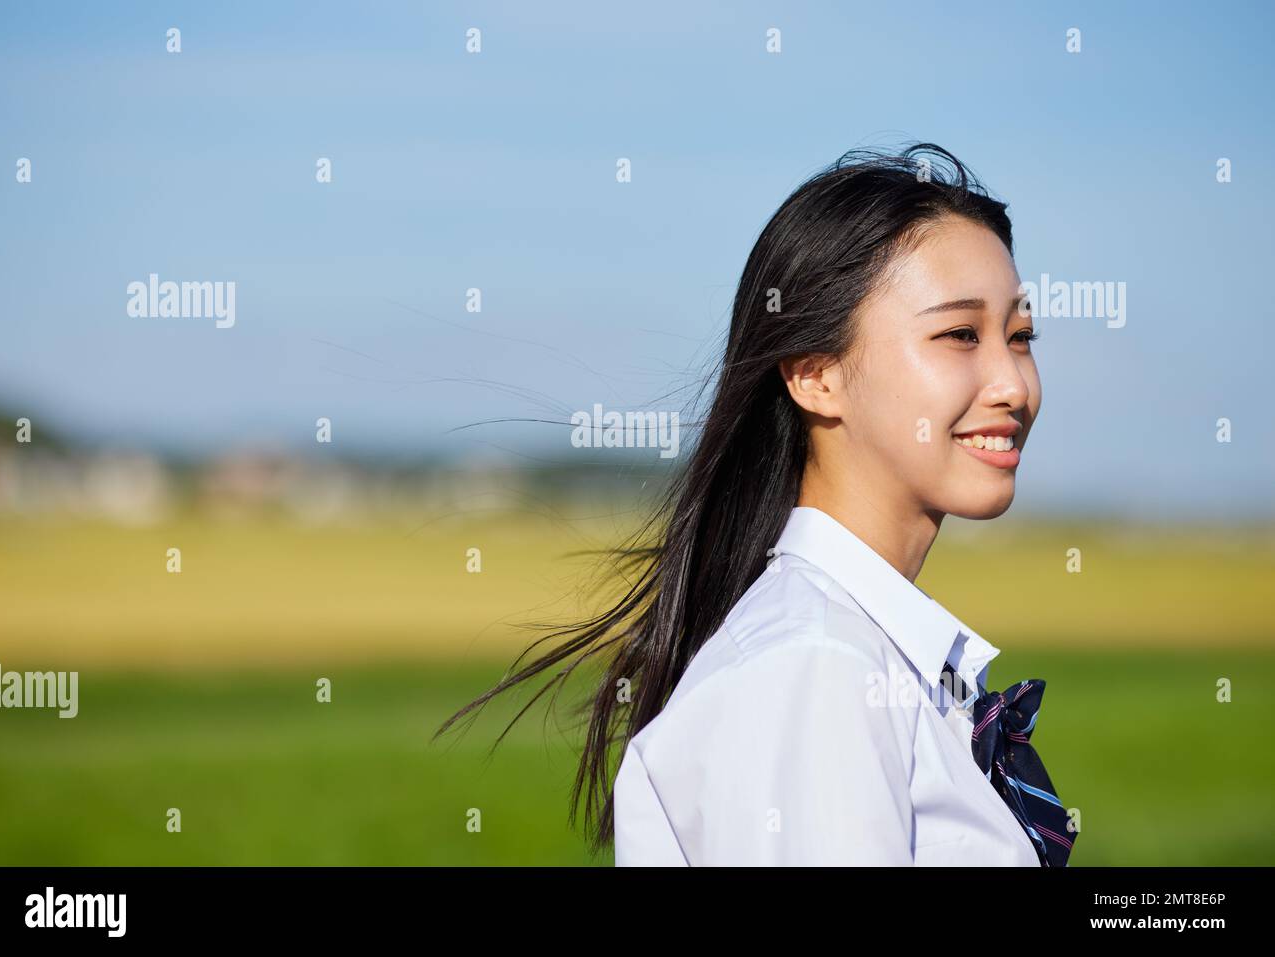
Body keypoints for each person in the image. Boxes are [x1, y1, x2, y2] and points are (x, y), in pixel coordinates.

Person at [438, 142, 1074, 866]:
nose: (1014, 384)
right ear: (814, 375)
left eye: (1020, 337)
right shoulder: (818, 670)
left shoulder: (857, 653)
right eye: (960, 334)